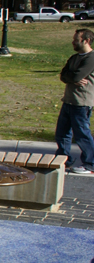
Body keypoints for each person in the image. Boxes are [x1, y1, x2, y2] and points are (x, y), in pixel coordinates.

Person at [55, 28, 94, 174]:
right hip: (69, 100)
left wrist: (71, 77)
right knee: (62, 133)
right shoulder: (74, 58)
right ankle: (64, 160)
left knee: (82, 135)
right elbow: (63, 75)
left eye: (76, 39)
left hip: (82, 103)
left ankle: (90, 163)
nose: (73, 42)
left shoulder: (91, 58)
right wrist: (70, 77)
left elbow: (76, 76)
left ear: (86, 40)